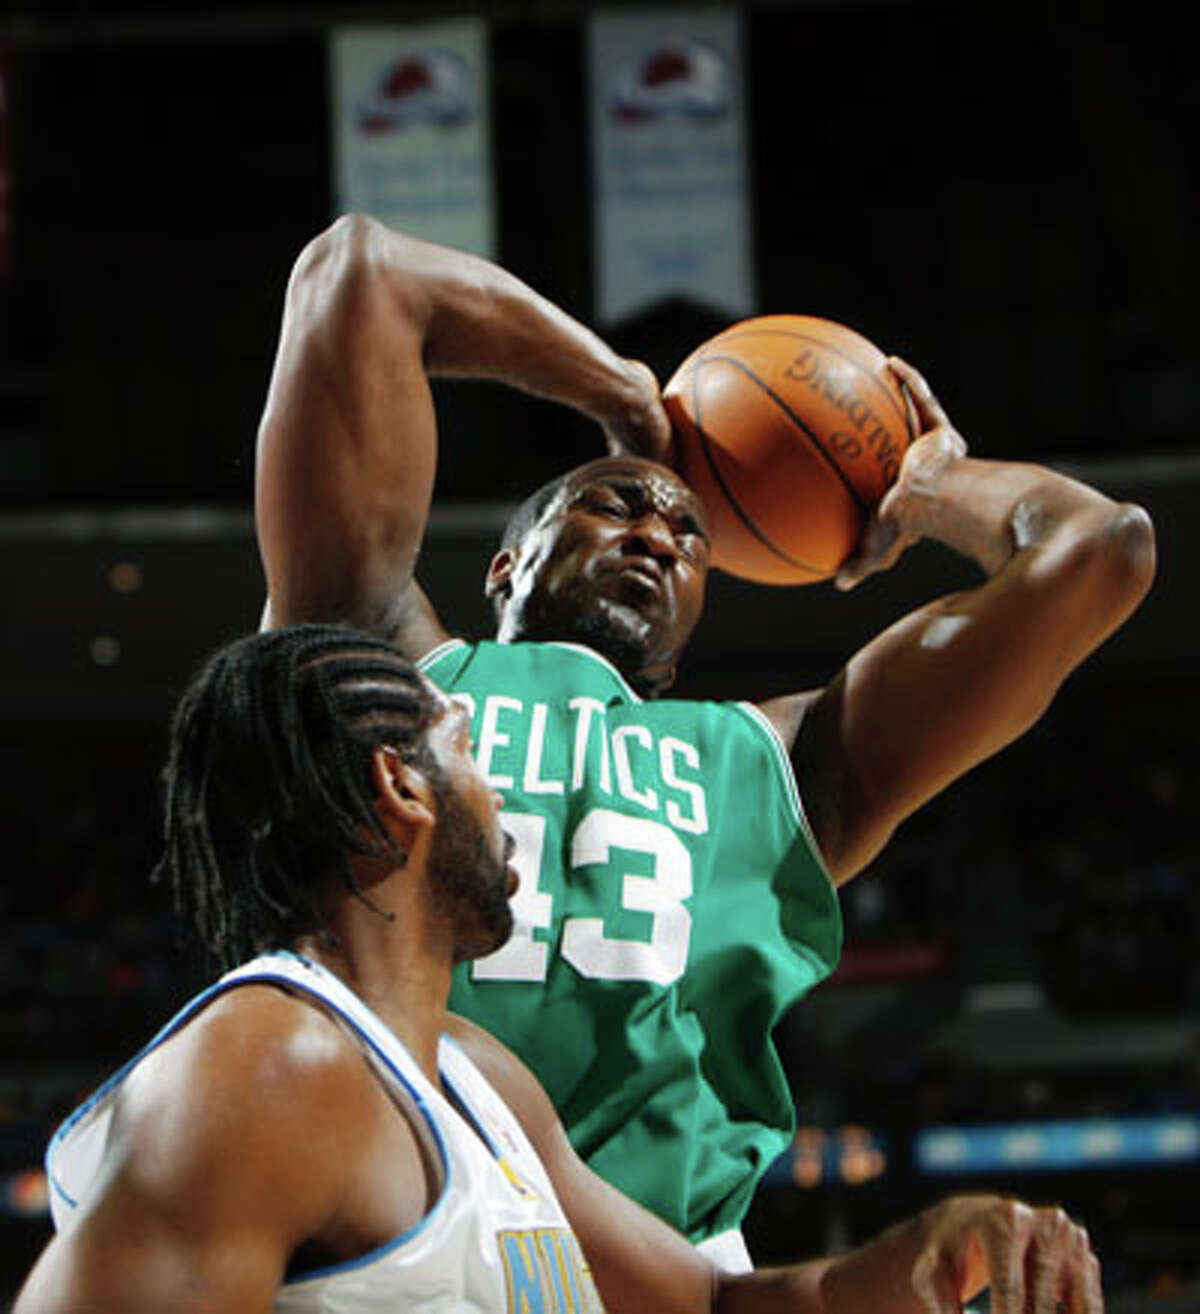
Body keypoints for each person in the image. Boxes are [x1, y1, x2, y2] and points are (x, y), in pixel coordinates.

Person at [254, 214, 1157, 1267]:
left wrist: (930, 491)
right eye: (616, 503)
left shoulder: (782, 762)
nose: (658, 532)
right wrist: (620, 395)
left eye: (691, 535)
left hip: (668, 1267)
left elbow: (1103, 551)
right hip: (393, 1248)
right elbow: (356, 273)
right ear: (505, 569)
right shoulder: (385, 675)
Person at [16, 623, 1104, 1313]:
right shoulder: (267, 1072)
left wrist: (926, 1253)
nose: (502, 803)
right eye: (475, 757)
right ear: (404, 793)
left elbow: (719, 1309)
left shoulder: (481, 1082)